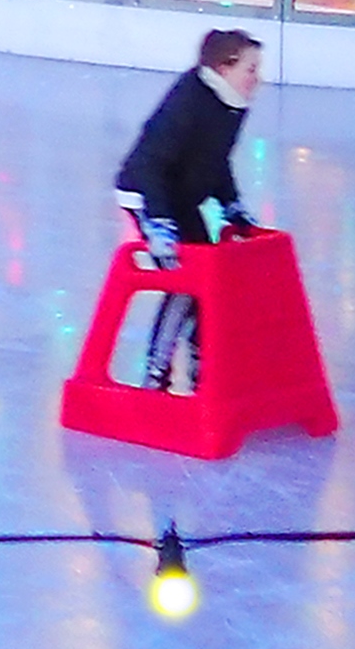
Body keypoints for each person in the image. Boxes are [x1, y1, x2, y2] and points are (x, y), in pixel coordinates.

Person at [112, 31, 264, 390]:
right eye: (251, 69)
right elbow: (150, 163)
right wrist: (160, 222)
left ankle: (203, 371)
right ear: (224, 68)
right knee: (186, 282)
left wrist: (230, 203)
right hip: (148, 194)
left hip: (180, 197)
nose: (257, 78)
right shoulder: (190, 99)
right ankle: (155, 375)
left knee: (209, 280)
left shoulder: (230, 104)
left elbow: (213, 160)